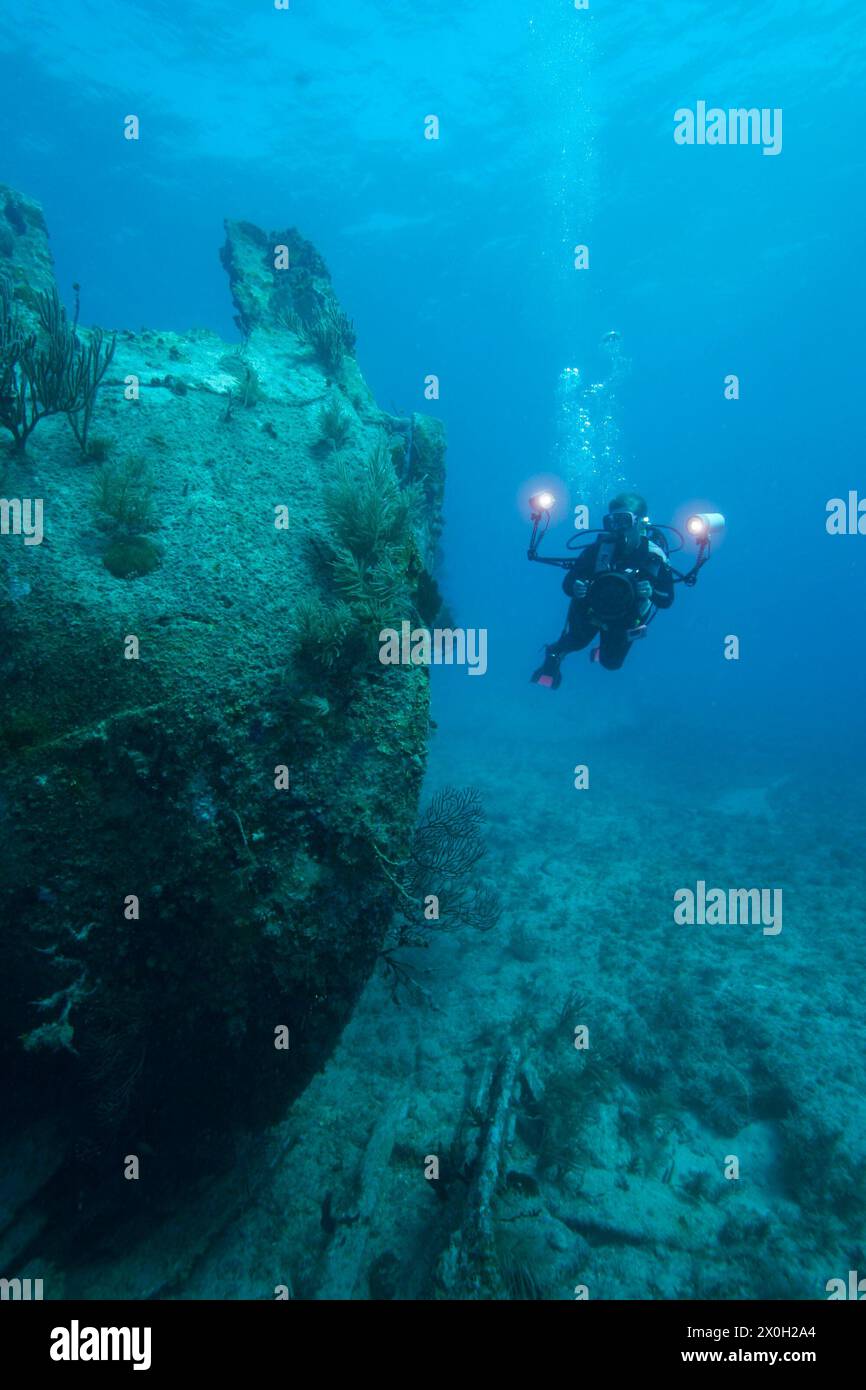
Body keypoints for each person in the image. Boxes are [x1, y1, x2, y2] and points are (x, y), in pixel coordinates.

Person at [531, 492, 674, 686]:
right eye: (613, 520)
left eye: (625, 519)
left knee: (612, 664)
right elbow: (568, 584)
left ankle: (600, 652)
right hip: (591, 610)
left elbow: (666, 600)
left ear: (642, 522)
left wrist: (651, 592)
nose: (619, 527)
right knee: (575, 642)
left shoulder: (654, 557)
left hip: (626, 619)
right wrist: (577, 588)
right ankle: (554, 656)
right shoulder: (599, 549)